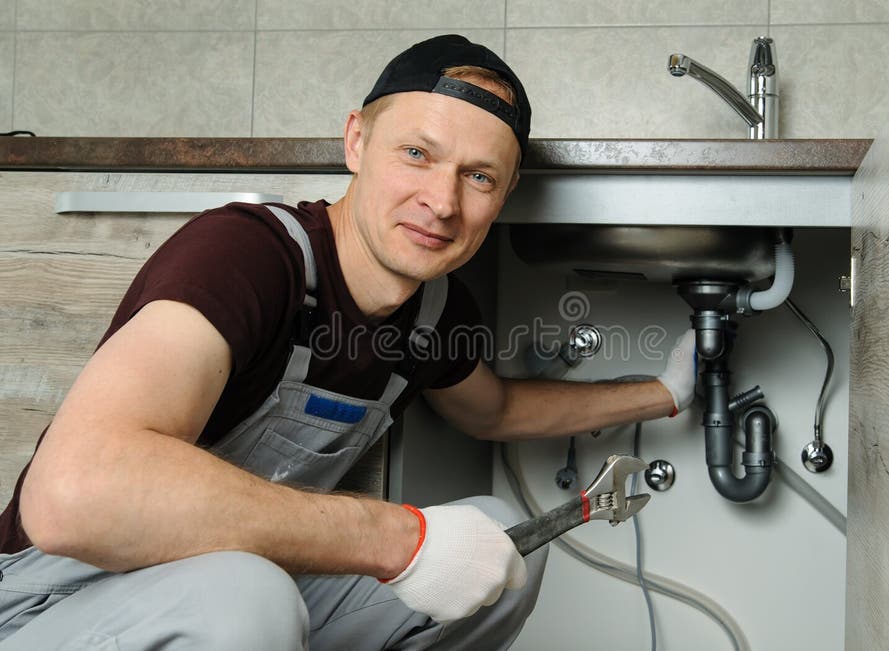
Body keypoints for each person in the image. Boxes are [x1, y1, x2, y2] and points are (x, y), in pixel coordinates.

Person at [0, 34, 697, 650]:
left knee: (503, 545)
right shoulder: (251, 254)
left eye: (478, 176)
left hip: (245, 586)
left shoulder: (435, 311)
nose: (443, 201)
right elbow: (73, 492)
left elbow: (497, 410)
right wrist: (397, 538)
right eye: (417, 153)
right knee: (245, 596)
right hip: (54, 599)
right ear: (357, 141)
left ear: (506, 192)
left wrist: (665, 393)